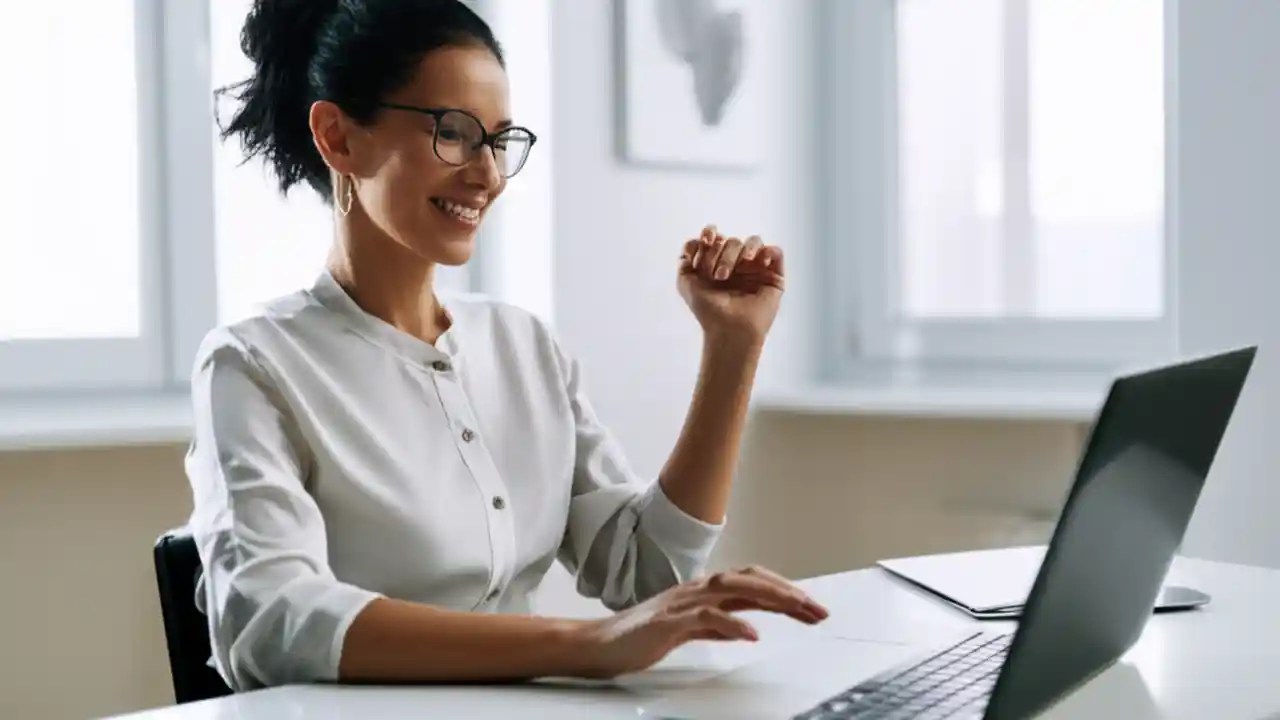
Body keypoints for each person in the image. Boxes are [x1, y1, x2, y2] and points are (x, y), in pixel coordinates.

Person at [186, 0, 827, 692]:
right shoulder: (253, 365)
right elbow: (270, 622)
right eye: (454, 133)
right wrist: (583, 644)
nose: (488, 174)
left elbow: (646, 572)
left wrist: (732, 348)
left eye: (499, 141)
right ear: (338, 138)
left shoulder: (523, 346)